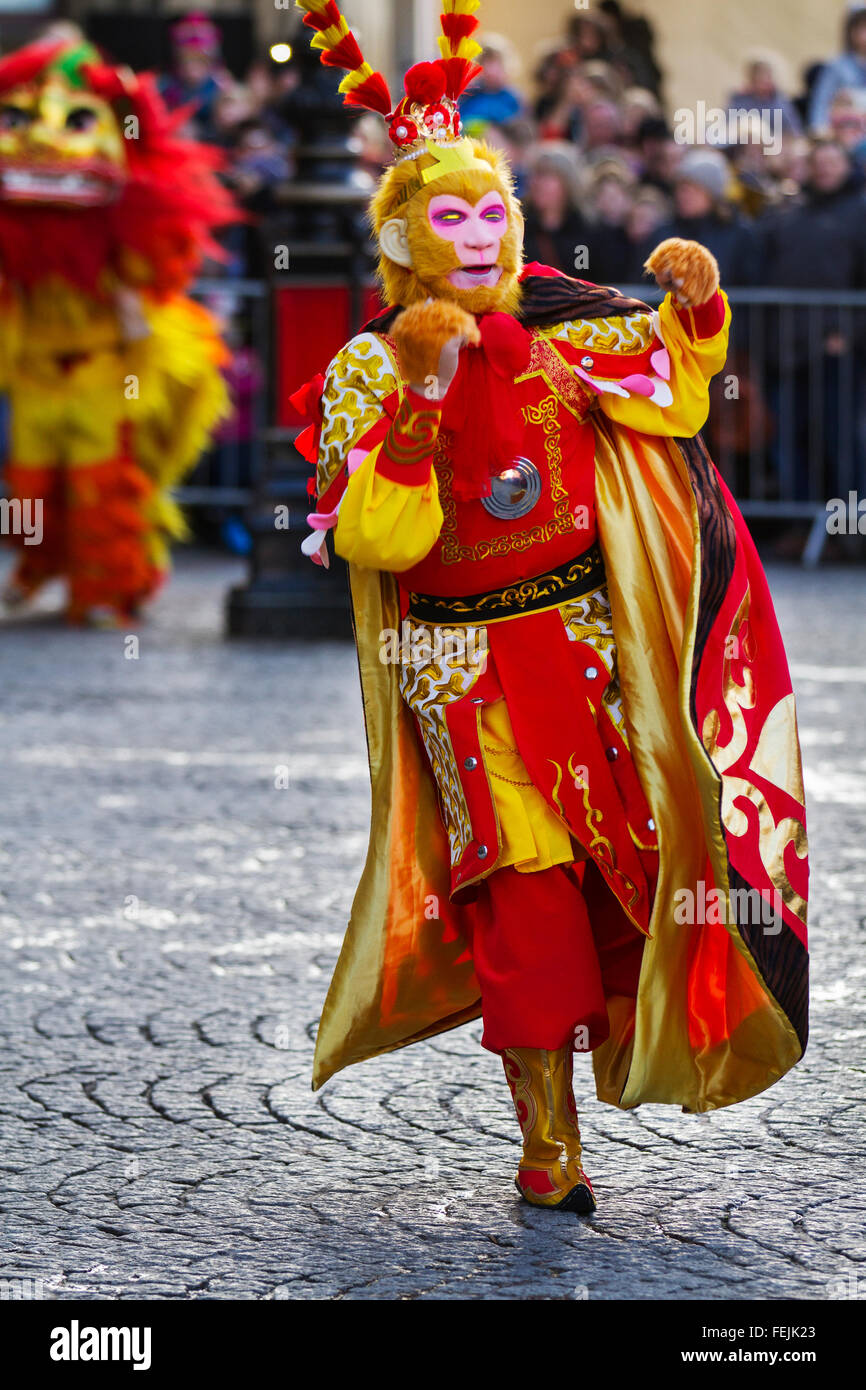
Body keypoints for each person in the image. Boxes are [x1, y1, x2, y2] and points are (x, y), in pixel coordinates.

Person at [293, 0, 810, 1215]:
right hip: (464, 675)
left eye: (489, 212)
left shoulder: (564, 320)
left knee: (629, 874)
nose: (474, 234)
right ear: (405, 235)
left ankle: (641, 1058)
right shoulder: (368, 362)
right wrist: (420, 399)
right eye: (448, 215)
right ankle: (547, 1142)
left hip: (592, 653)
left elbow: (671, 403)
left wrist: (692, 309)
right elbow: (377, 534)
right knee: (523, 898)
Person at [0, 38, 235, 625]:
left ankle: (108, 588)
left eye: (76, 121)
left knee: (98, 485)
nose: (42, 137)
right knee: (25, 490)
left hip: (103, 370)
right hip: (34, 369)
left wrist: (136, 304)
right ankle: (39, 563)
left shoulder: (117, 236)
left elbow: (154, 276)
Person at [809, 7, 866, 131]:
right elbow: (821, 102)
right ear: (852, 33)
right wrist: (819, 130)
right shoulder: (837, 66)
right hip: (845, 132)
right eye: (862, 28)